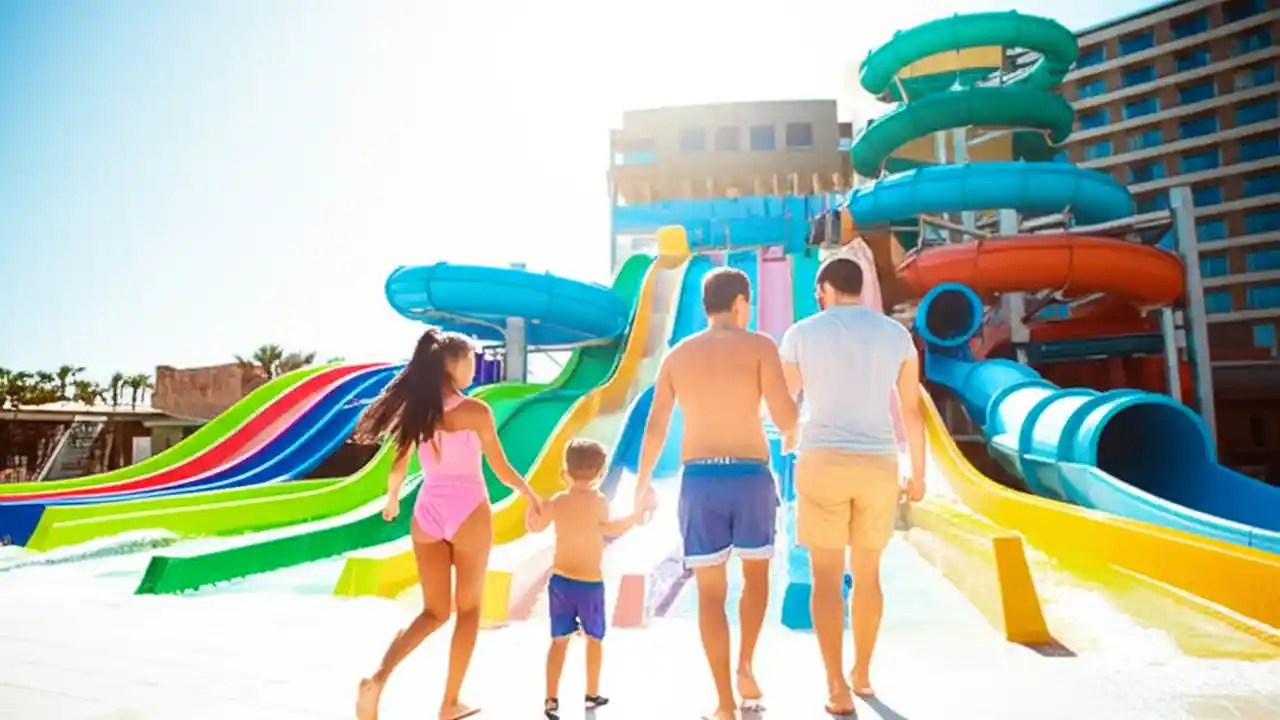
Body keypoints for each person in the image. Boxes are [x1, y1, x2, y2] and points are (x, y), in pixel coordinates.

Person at [635, 267, 799, 720]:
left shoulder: (677, 355)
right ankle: (746, 664)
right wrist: (790, 430)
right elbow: (786, 417)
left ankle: (724, 702)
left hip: (701, 480)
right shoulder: (760, 346)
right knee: (757, 578)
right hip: (750, 476)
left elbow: (655, 427)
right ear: (741, 303)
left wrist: (641, 486)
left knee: (710, 593)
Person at [355, 327, 543, 720]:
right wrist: (530, 494)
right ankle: (449, 702)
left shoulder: (418, 412)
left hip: (427, 513)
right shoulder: (475, 411)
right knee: (469, 610)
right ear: (453, 364)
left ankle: (378, 678)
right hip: (468, 508)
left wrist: (392, 500)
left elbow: (399, 465)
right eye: (471, 360)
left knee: (433, 612)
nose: (474, 368)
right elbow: (501, 468)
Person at [777, 257, 926, 716]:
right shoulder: (896, 335)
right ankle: (862, 672)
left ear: (824, 288)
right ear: (860, 288)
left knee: (825, 578)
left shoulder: (801, 333)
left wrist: (789, 435)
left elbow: (785, 402)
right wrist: (918, 474)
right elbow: (912, 410)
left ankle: (836, 686)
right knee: (868, 574)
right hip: (879, 461)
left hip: (822, 458)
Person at [525, 438, 654, 720]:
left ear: (565, 471)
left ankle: (551, 698)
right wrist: (634, 518)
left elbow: (535, 526)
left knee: (558, 641)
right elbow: (609, 528)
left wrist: (531, 511)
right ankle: (591, 692)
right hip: (590, 584)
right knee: (594, 640)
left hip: (561, 582)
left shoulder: (558, 502)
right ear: (601, 472)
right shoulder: (599, 502)